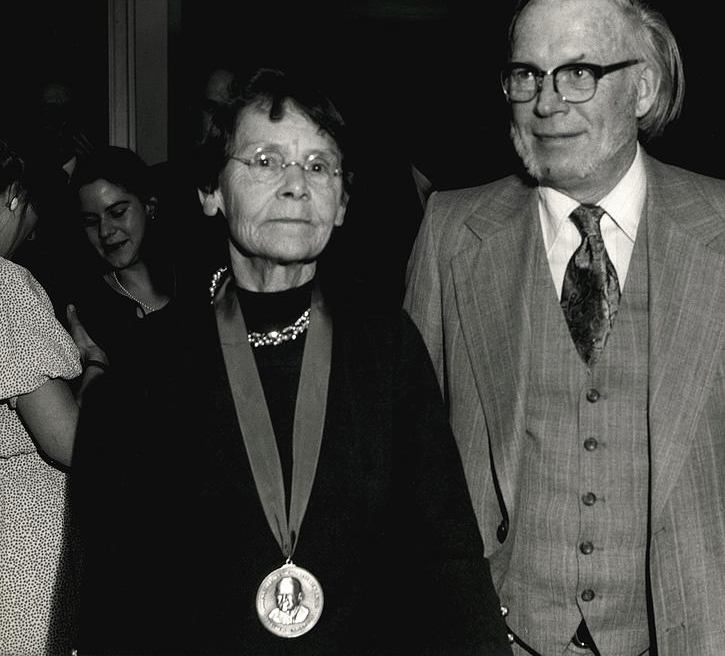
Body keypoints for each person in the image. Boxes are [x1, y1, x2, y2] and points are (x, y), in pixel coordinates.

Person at [404, 0, 725, 656]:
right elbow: (407, 469)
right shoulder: (451, 233)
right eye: (527, 74)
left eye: (578, 72)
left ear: (641, 88)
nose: (547, 101)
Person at [73, 67, 512, 656]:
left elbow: (447, 556)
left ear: (342, 204)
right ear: (210, 192)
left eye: (318, 165)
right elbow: (116, 589)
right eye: (264, 160)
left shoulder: (386, 345)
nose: (296, 185)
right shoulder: (148, 368)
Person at [0, 137, 106, 656]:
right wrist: (93, 363)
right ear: (15, 196)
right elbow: (70, 442)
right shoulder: (6, 286)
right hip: (21, 552)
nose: (35, 230)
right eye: (36, 210)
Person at [68, 145, 176, 366]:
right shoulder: (89, 309)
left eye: (117, 213)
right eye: (91, 222)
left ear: (150, 207)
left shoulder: (195, 278)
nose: (105, 231)